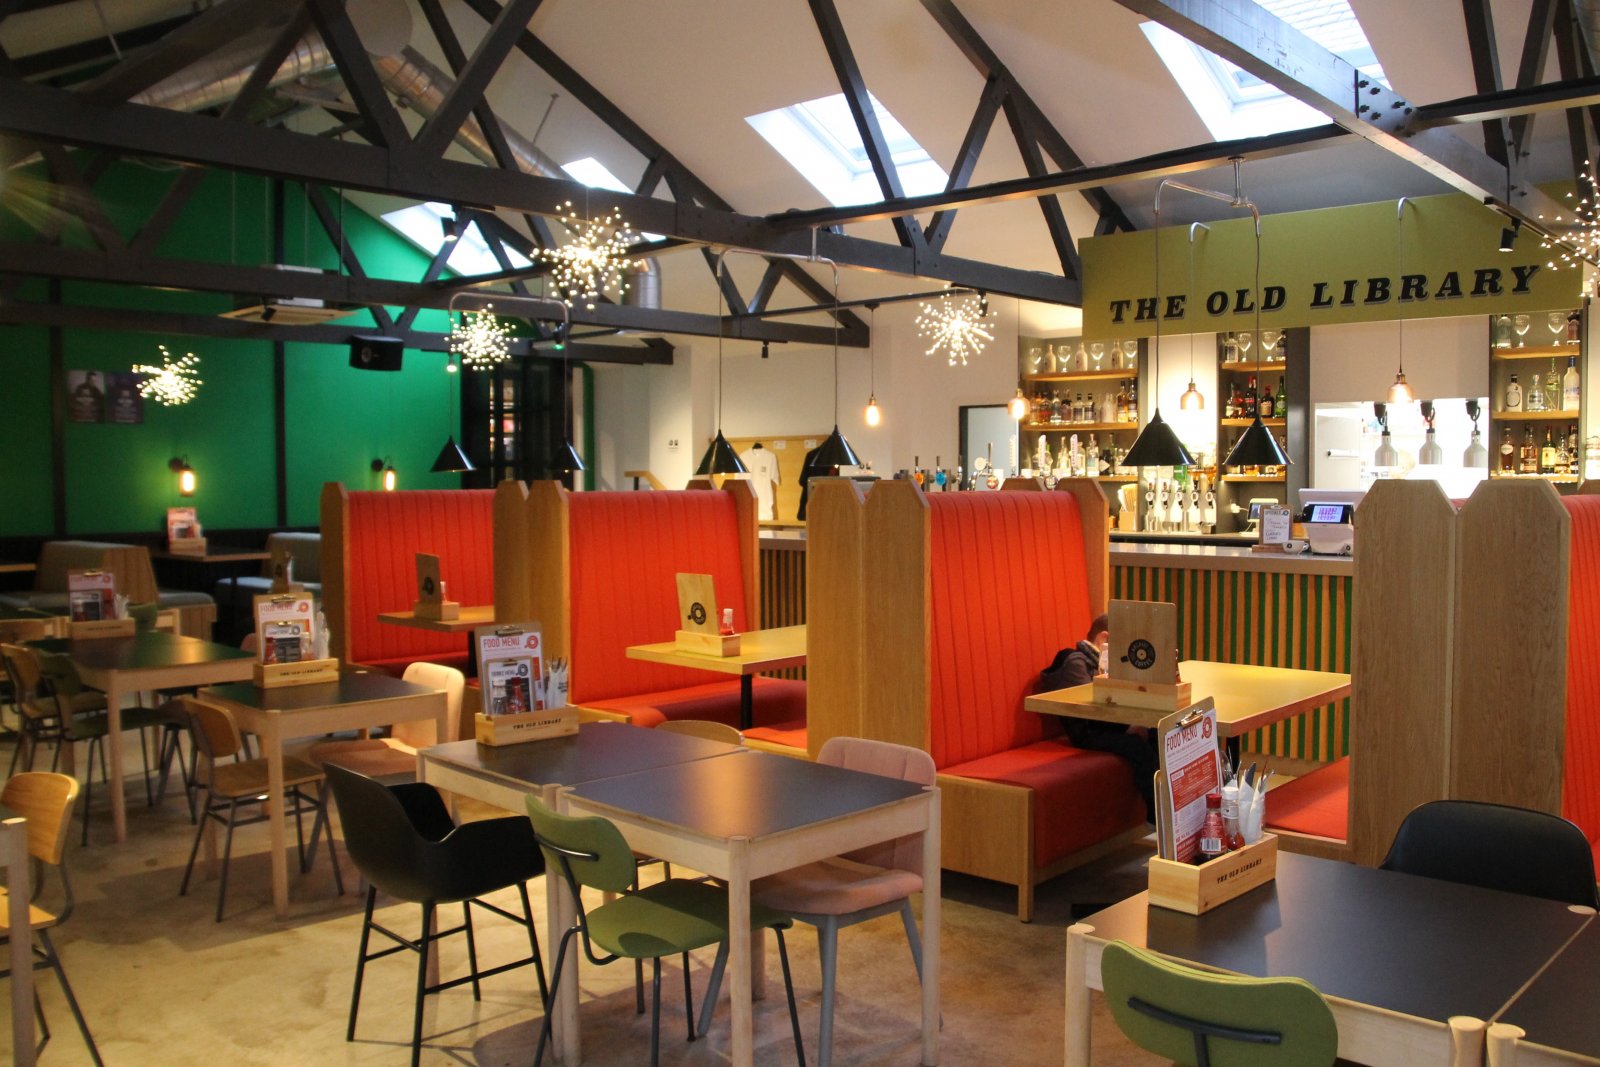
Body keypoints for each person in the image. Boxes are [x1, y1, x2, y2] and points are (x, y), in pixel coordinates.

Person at [1038, 613, 1158, 822]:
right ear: (1104, 639)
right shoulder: (1076, 661)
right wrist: (1127, 728)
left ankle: (1173, 811)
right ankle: (1155, 815)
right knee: (1138, 747)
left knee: (1158, 735)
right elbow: (1090, 708)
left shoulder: (1104, 665)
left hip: (1105, 726)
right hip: (1087, 732)